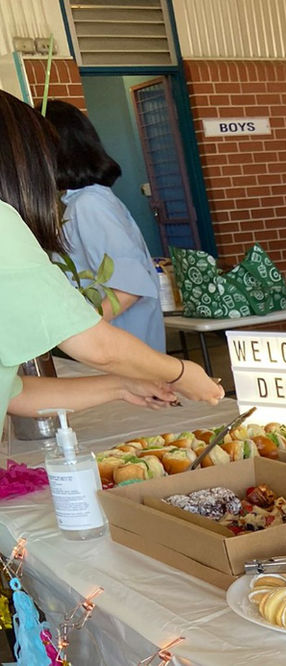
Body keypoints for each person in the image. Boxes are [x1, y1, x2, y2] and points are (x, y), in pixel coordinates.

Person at [0, 90, 223, 422]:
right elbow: (99, 349)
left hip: (124, 350)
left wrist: (121, 382)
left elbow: (14, 393)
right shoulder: (5, 225)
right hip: (109, 349)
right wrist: (182, 372)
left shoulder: (87, 204)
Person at [43, 99, 166, 352]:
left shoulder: (89, 205)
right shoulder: (85, 201)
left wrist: (79, 336)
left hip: (122, 360)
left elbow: (130, 289)